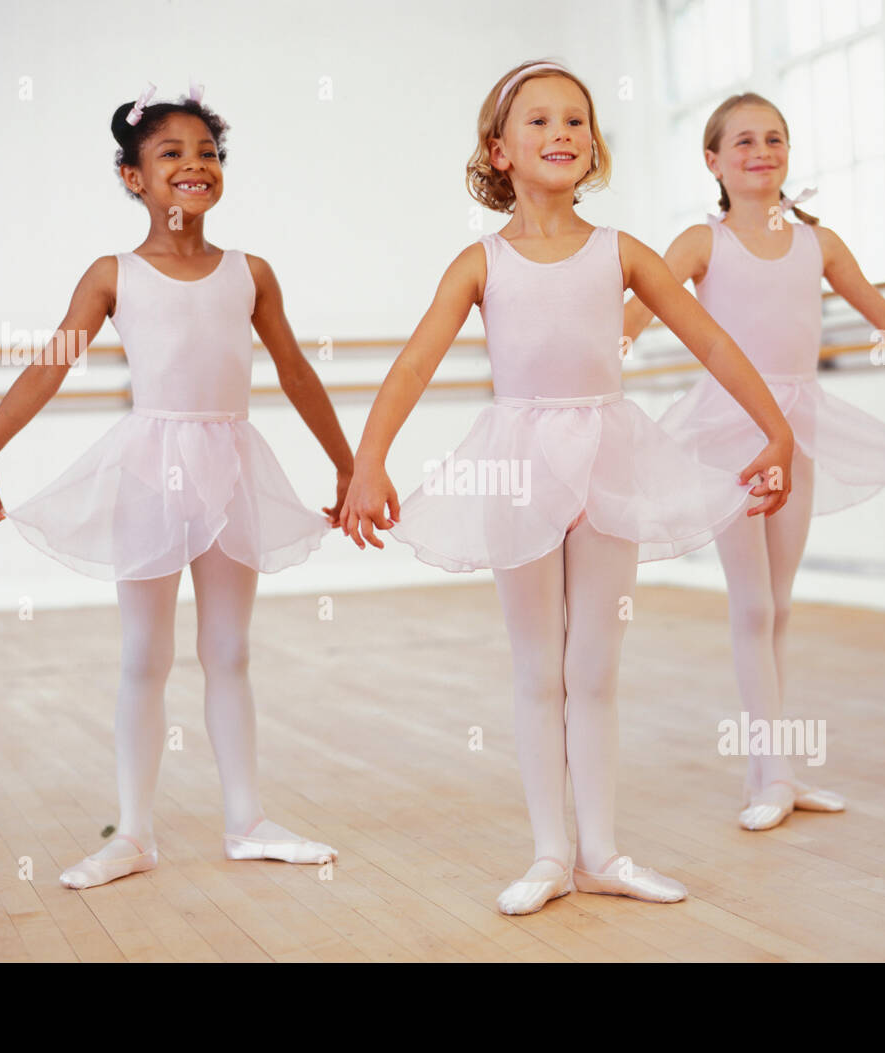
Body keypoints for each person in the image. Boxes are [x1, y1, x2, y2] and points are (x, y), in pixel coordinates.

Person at [341, 62, 796, 914]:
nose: (562, 133)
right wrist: (370, 460)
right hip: (518, 461)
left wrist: (776, 428)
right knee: (535, 666)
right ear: (498, 149)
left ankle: (602, 851)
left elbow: (713, 342)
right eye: (541, 120)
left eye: (577, 121)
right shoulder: (479, 262)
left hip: (608, 455)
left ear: (592, 146)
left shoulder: (622, 252)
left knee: (594, 664)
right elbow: (414, 361)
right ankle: (550, 851)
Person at [0, 82, 351, 887]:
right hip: (149, 468)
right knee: (146, 652)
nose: (194, 165)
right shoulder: (113, 274)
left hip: (232, 466)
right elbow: (51, 364)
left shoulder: (251, 273)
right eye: (170, 153)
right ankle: (132, 832)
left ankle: (245, 820)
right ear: (131, 177)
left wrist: (350, 465)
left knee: (229, 649)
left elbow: (295, 371)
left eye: (207, 153)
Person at [623, 92, 885, 831]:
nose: (761, 150)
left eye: (774, 138)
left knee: (778, 604)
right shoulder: (699, 242)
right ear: (713, 161)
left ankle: (772, 768)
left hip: (799, 427)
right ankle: (772, 773)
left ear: (789, 153)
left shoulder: (822, 245)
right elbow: (631, 317)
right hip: (725, 429)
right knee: (751, 603)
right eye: (742, 141)